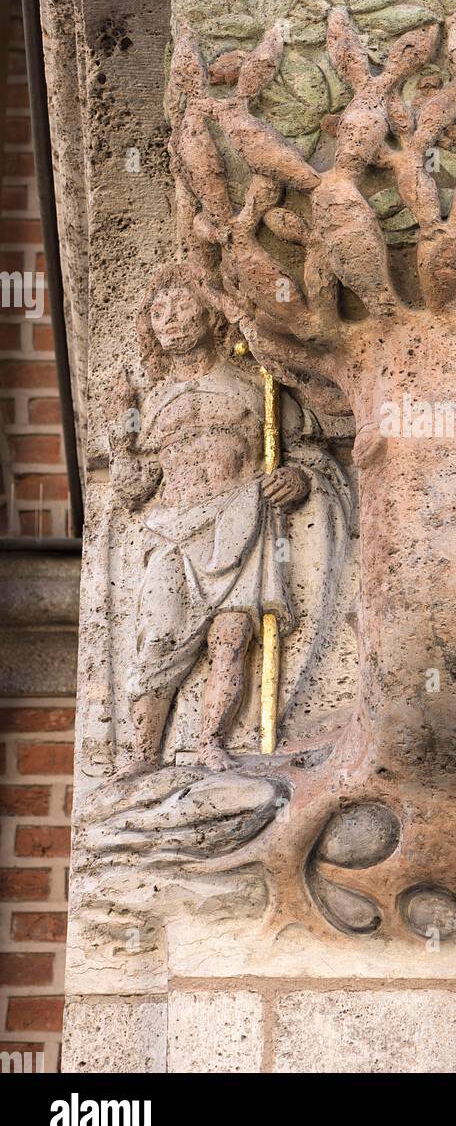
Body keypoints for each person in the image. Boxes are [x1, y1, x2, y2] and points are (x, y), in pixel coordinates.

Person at [104, 264, 310, 772]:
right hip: (170, 529)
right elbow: (132, 488)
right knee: (158, 638)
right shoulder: (149, 401)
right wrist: (120, 431)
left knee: (231, 638)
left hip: (240, 517)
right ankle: (141, 756)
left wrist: (296, 479)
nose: (169, 319)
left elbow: (308, 454)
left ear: (211, 312)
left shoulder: (257, 384)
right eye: (157, 312)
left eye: (180, 304)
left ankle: (211, 743)